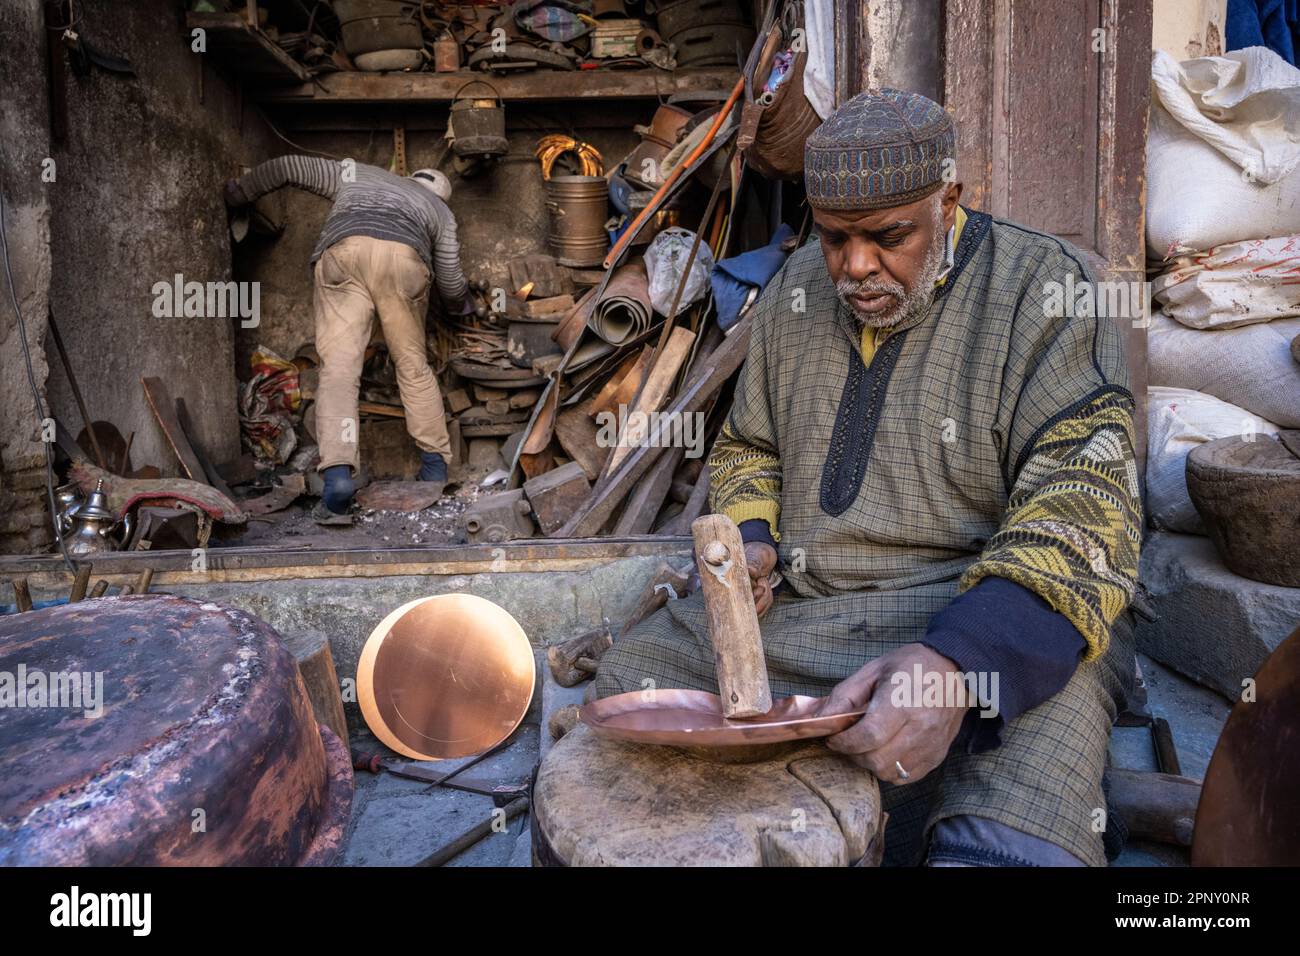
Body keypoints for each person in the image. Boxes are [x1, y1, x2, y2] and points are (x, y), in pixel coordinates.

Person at [594, 89, 1143, 867]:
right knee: (632, 683)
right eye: (834, 239)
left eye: (888, 236)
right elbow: (750, 446)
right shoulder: (792, 294)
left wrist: (955, 665)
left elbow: (1088, 499)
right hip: (820, 614)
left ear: (949, 201)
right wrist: (753, 544)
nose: (855, 267)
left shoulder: (1042, 290)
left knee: (1016, 804)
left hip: (976, 609)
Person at [224, 158, 468, 523]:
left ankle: (337, 476)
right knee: (413, 368)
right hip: (404, 263)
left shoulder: (362, 174)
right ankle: (434, 469)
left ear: (406, 178)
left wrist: (239, 194)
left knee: (339, 370)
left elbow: (290, 167)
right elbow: (450, 280)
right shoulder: (440, 212)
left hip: (345, 255)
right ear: (440, 197)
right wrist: (462, 305)